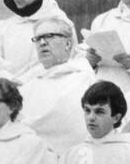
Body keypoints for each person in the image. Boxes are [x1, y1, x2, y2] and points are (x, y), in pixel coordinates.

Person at [17, 17, 96, 156]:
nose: (42, 43)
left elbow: (63, 120)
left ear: (68, 43)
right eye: (38, 38)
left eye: (49, 36)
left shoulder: (82, 77)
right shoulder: (30, 82)